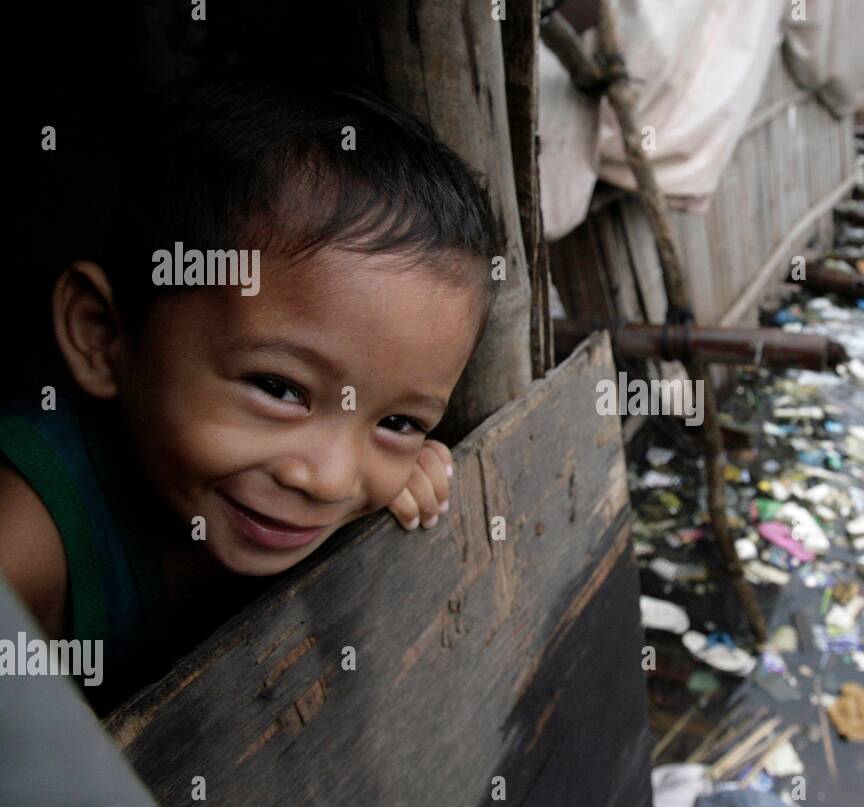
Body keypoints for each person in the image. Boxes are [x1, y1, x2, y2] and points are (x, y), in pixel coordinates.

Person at [0, 75, 499, 713]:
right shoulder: (27, 544)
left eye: (400, 420)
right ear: (103, 336)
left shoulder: (341, 486)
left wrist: (402, 472)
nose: (330, 477)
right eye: (278, 388)